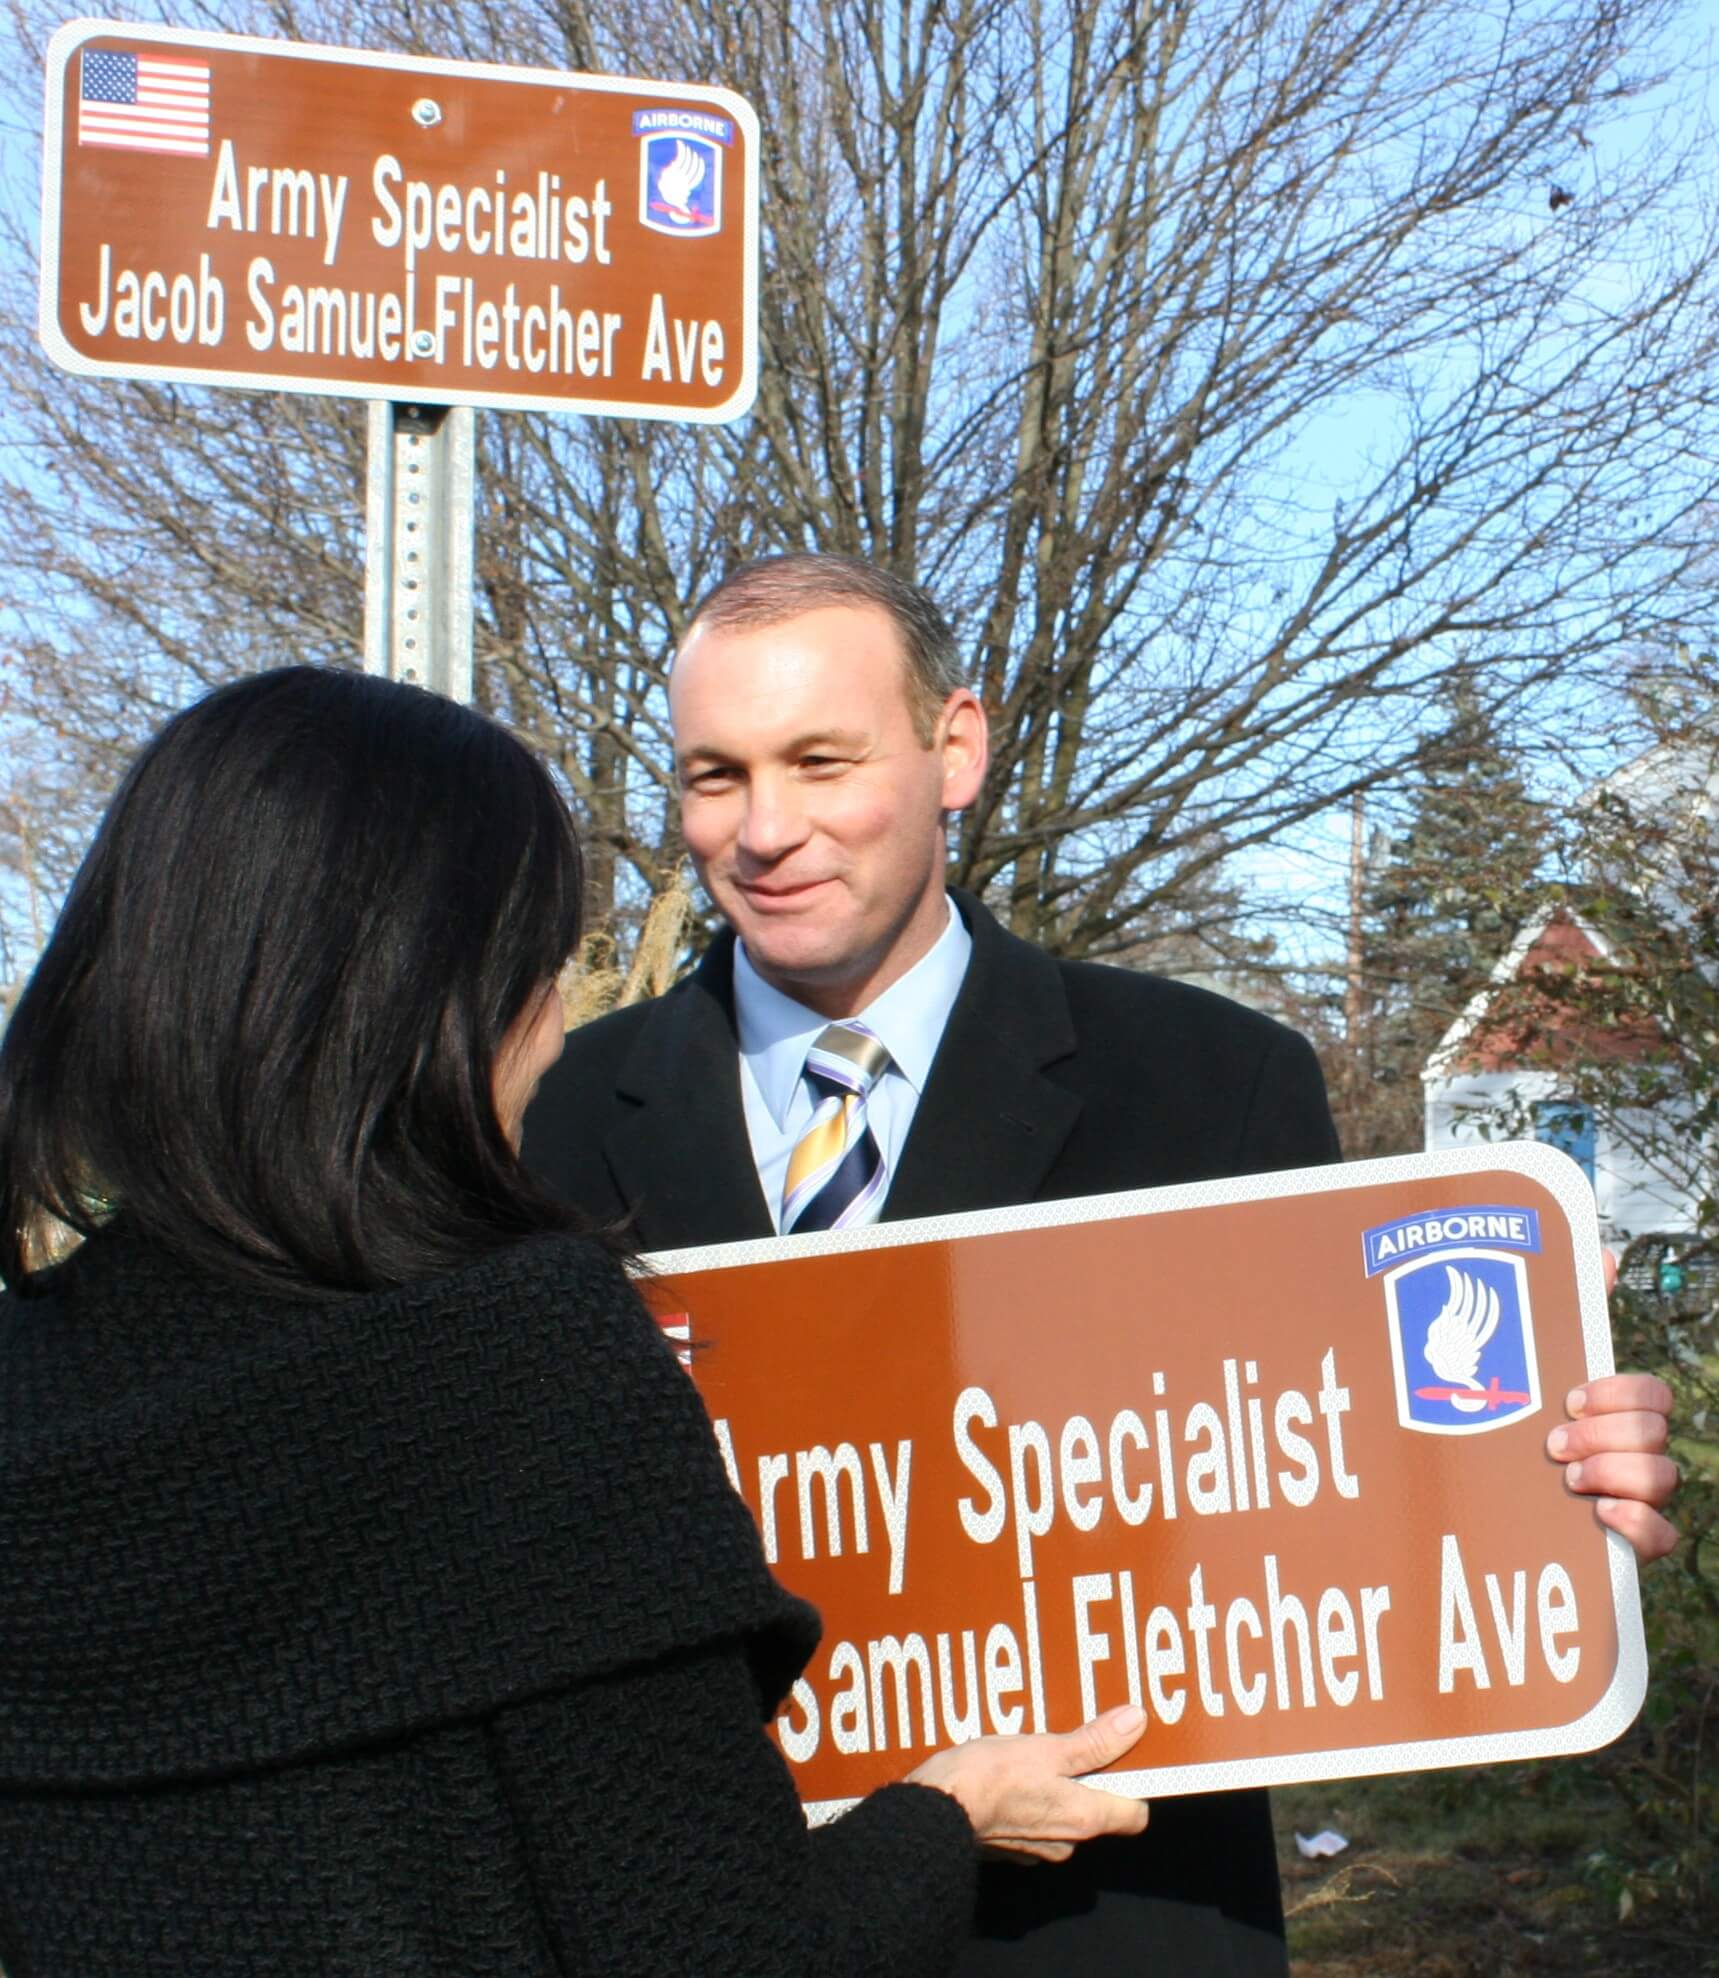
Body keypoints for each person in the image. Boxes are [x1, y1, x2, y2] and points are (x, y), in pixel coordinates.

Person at [523, 553, 1681, 1976]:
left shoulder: (1216, 1087)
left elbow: (1352, 1501)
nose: (765, 829)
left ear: (955, 749)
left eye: (822, 761)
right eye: (716, 775)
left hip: (1113, 1931)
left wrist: (1546, 1481)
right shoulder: (546, 1126)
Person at [0, 666, 1155, 1978]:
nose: (553, 1042)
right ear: (421, 1001)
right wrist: (947, 1816)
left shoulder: (32, 1380)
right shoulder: (517, 1371)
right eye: (537, 973)